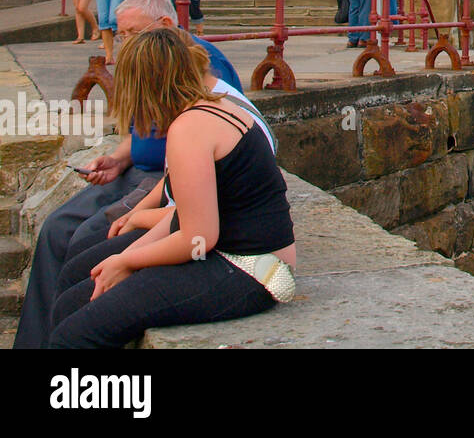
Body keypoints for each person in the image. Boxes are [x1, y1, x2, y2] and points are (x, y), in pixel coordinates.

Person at [13, 0, 252, 349]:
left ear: (166, 25)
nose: (124, 44)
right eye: (122, 35)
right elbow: (142, 130)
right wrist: (119, 158)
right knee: (55, 228)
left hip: (164, 180)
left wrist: (136, 228)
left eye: (131, 34)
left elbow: (197, 211)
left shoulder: (197, 66)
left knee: (87, 240)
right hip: (138, 172)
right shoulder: (153, 62)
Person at [46, 27, 294, 349]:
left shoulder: (190, 129)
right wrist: (129, 253)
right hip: (228, 254)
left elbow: (198, 238)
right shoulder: (209, 108)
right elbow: (186, 216)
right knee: (75, 290)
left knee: (73, 336)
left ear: (143, 86)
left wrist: (127, 262)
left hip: (248, 269)